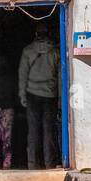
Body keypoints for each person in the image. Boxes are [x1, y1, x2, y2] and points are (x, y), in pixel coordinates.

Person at [18, 24, 61, 169]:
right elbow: (60, 76)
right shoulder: (56, 51)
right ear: (48, 33)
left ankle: (32, 164)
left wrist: (22, 95)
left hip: (32, 95)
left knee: (33, 131)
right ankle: (49, 163)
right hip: (50, 95)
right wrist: (61, 97)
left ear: (36, 34)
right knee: (48, 130)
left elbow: (22, 75)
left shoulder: (28, 50)